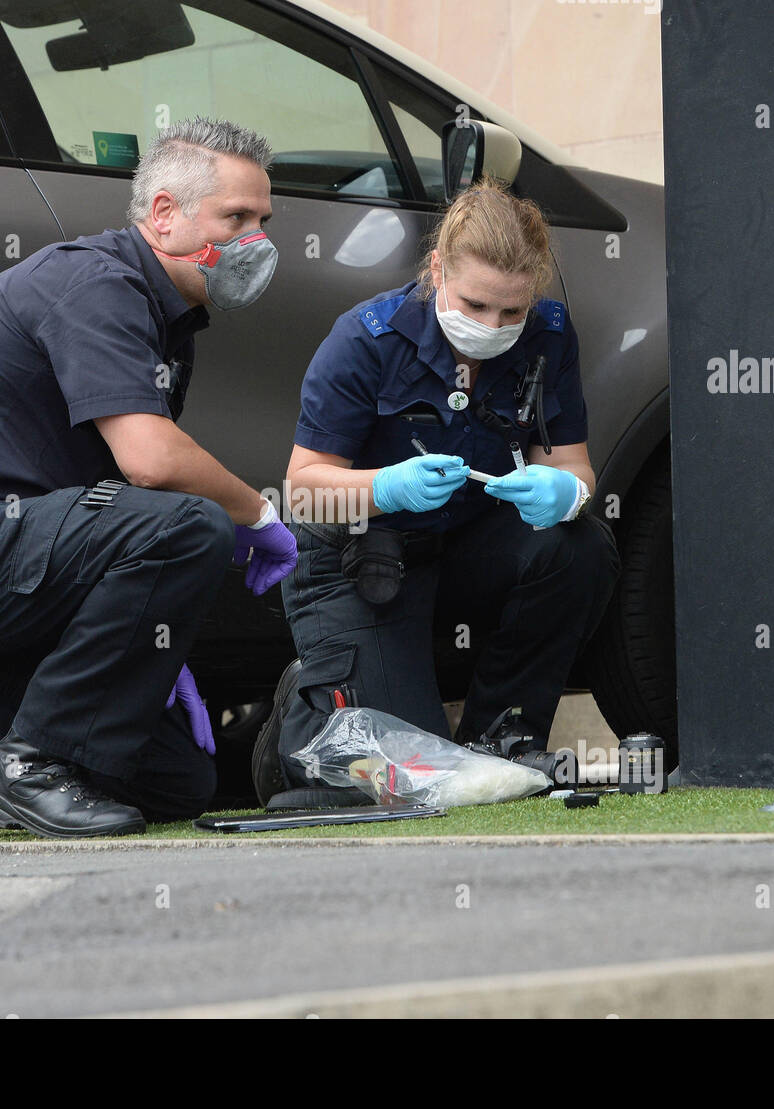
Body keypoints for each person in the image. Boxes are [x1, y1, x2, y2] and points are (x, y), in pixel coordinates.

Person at [0, 117, 296, 842]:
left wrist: (147, 632)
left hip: (11, 553)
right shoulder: (98, 281)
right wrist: (258, 517)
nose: (256, 242)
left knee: (174, 775)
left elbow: (126, 495)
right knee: (195, 522)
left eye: (264, 221)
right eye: (235, 218)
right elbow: (150, 460)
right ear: (164, 215)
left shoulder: (166, 316)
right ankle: (33, 765)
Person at [256, 178, 621, 804]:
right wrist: (387, 487)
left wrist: (566, 492)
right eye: (476, 305)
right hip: (363, 557)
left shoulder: (549, 334)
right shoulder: (364, 339)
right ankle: (305, 714)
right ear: (436, 271)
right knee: (412, 781)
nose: (494, 325)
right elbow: (305, 493)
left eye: (513, 310)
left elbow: (575, 467)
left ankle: (501, 738)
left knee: (580, 547)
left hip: (465, 545)